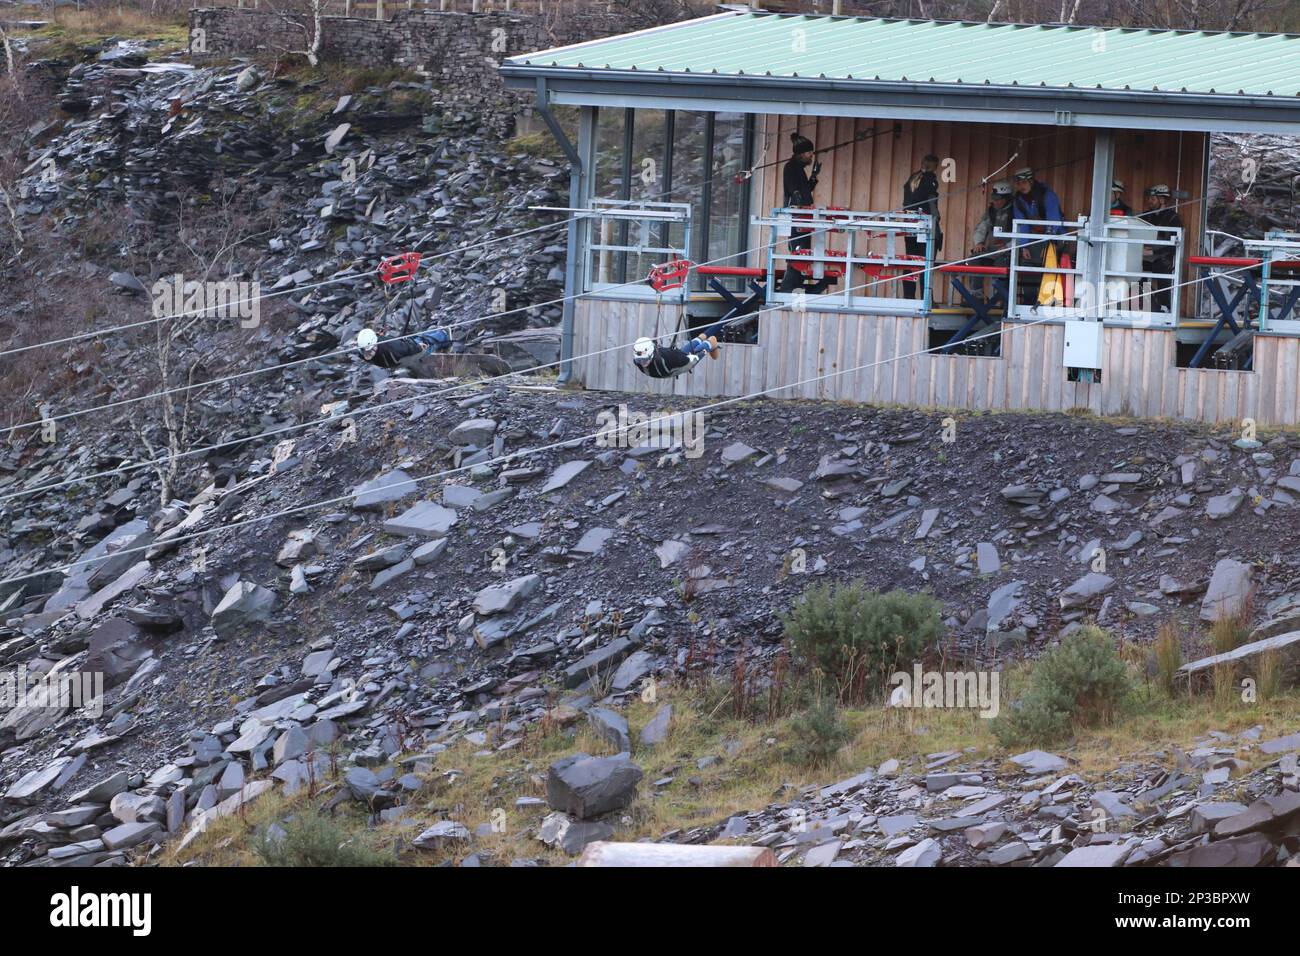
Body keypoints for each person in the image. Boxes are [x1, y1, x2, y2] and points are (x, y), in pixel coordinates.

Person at [777, 131, 831, 295]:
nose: (811, 156)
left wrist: (814, 176)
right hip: (795, 217)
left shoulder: (799, 168)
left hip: (803, 217)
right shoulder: (791, 168)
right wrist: (801, 207)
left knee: (803, 251)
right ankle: (788, 288)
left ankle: (796, 286)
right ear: (801, 154)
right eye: (809, 153)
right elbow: (796, 192)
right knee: (798, 251)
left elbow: (806, 190)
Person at [901, 153, 943, 300]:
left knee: (911, 262)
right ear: (934, 166)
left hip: (909, 226)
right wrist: (936, 219)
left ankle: (908, 298)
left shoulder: (912, 178)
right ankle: (927, 299)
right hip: (925, 226)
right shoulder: (930, 178)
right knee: (927, 263)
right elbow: (931, 201)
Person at [1139, 184, 1183, 313]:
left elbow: (1175, 244)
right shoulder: (1146, 216)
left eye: (1153, 199)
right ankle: (1144, 305)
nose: (1149, 202)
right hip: (1144, 256)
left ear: (1162, 200)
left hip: (1163, 257)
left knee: (1163, 269)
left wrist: (1154, 252)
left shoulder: (1172, 218)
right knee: (1135, 269)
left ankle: (1165, 306)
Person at [355, 327, 451, 370]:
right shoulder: (389, 345)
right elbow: (407, 348)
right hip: (403, 358)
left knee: (415, 338)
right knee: (426, 344)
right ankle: (444, 336)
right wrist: (419, 347)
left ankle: (435, 336)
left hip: (392, 363)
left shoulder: (362, 353)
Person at [631, 335, 719, 378]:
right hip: (674, 362)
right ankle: (701, 337)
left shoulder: (668, 359)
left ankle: (711, 342)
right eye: (639, 361)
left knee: (694, 354)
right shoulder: (637, 361)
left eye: (645, 360)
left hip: (683, 363)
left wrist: (699, 355)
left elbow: (690, 360)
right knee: (684, 351)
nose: (643, 363)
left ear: (652, 354)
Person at [972, 180, 1014, 264]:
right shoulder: (991, 212)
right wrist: (979, 243)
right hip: (992, 251)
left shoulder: (1015, 211)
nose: (995, 202)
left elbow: (1021, 235)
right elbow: (981, 228)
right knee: (974, 261)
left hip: (1010, 251)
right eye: (993, 198)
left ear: (1007, 198)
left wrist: (1007, 247)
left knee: (1000, 263)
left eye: (998, 199)